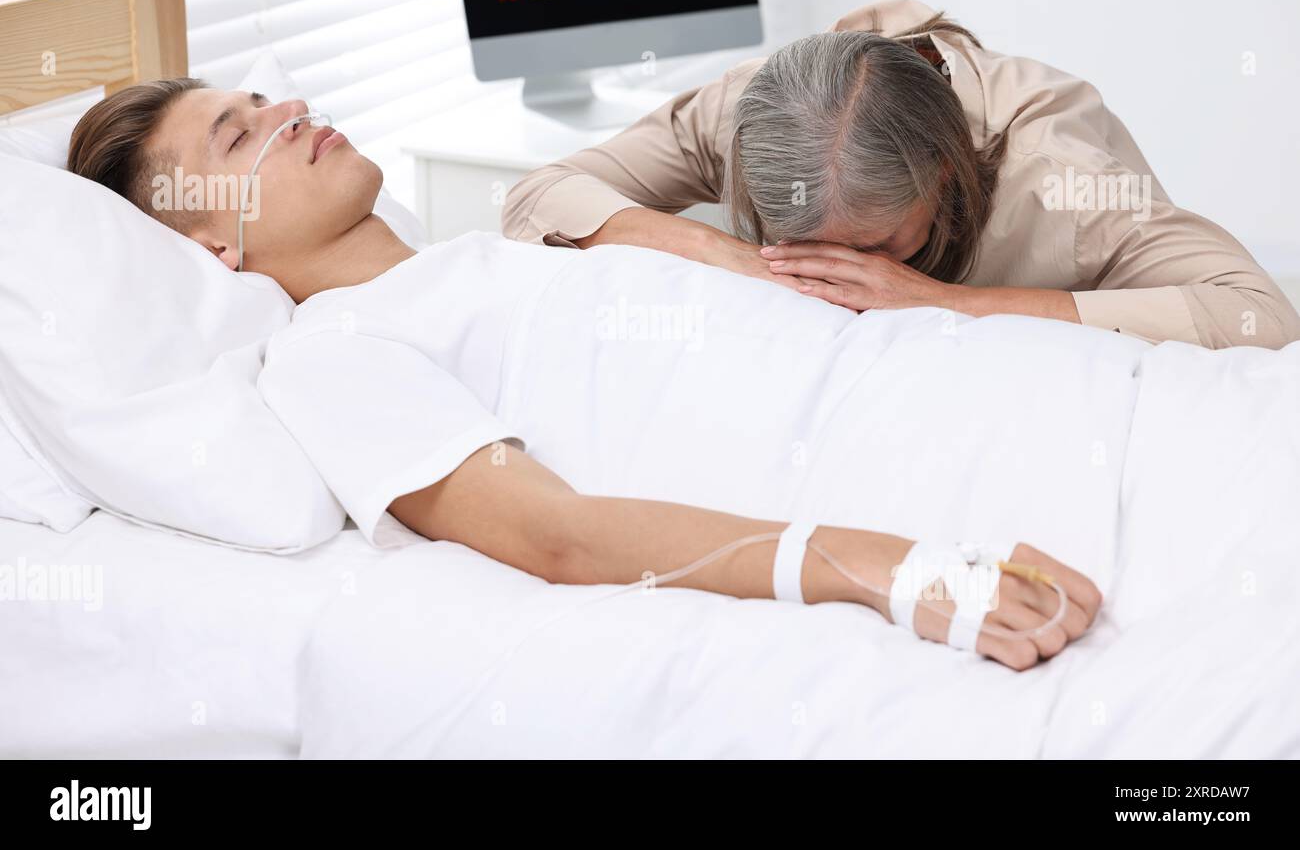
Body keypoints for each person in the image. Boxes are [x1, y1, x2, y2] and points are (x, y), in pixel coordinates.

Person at [66, 79, 1104, 672]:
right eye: (240, 134)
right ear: (210, 252)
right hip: (925, 465)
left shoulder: (469, 263)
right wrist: (880, 566)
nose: (286, 109)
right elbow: (552, 536)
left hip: (994, 391)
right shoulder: (330, 353)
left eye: (261, 97)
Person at [504, 0, 1300, 350]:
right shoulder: (747, 115)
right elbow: (536, 196)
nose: (843, 278)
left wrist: (947, 303)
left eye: (880, 245)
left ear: (947, 176)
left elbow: (1262, 314)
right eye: (805, 246)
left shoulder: (1064, 183)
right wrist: (738, 260)